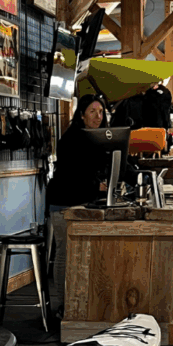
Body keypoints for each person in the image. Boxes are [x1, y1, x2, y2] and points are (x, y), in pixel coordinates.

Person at [45, 93, 111, 319]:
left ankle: (79, 304)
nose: (98, 116)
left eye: (101, 112)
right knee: (65, 253)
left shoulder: (99, 137)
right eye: (92, 111)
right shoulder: (72, 139)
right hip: (64, 203)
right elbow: (71, 174)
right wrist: (96, 185)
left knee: (81, 255)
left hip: (83, 202)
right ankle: (64, 307)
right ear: (81, 115)